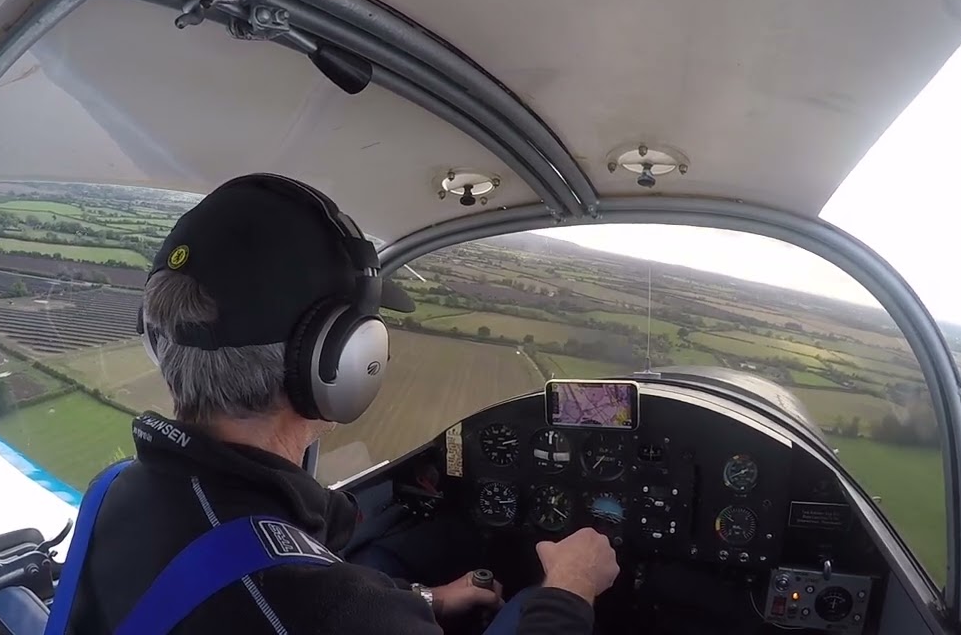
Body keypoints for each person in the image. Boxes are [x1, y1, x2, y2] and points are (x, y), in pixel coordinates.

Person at [54, 173, 619, 634]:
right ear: (338, 365)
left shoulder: (112, 492)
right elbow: (318, 597)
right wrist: (571, 586)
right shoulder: (321, 608)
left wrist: (423, 600)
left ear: (159, 341)